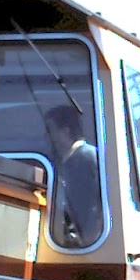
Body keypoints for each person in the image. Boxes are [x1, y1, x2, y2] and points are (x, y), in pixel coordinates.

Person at [46, 104, 104, 248]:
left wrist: (87, 240)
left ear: (65, 131)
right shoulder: (66, 161)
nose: (48, 137)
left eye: (50, 131)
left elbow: (92, 207)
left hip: (89, 244)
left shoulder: (86, 159)